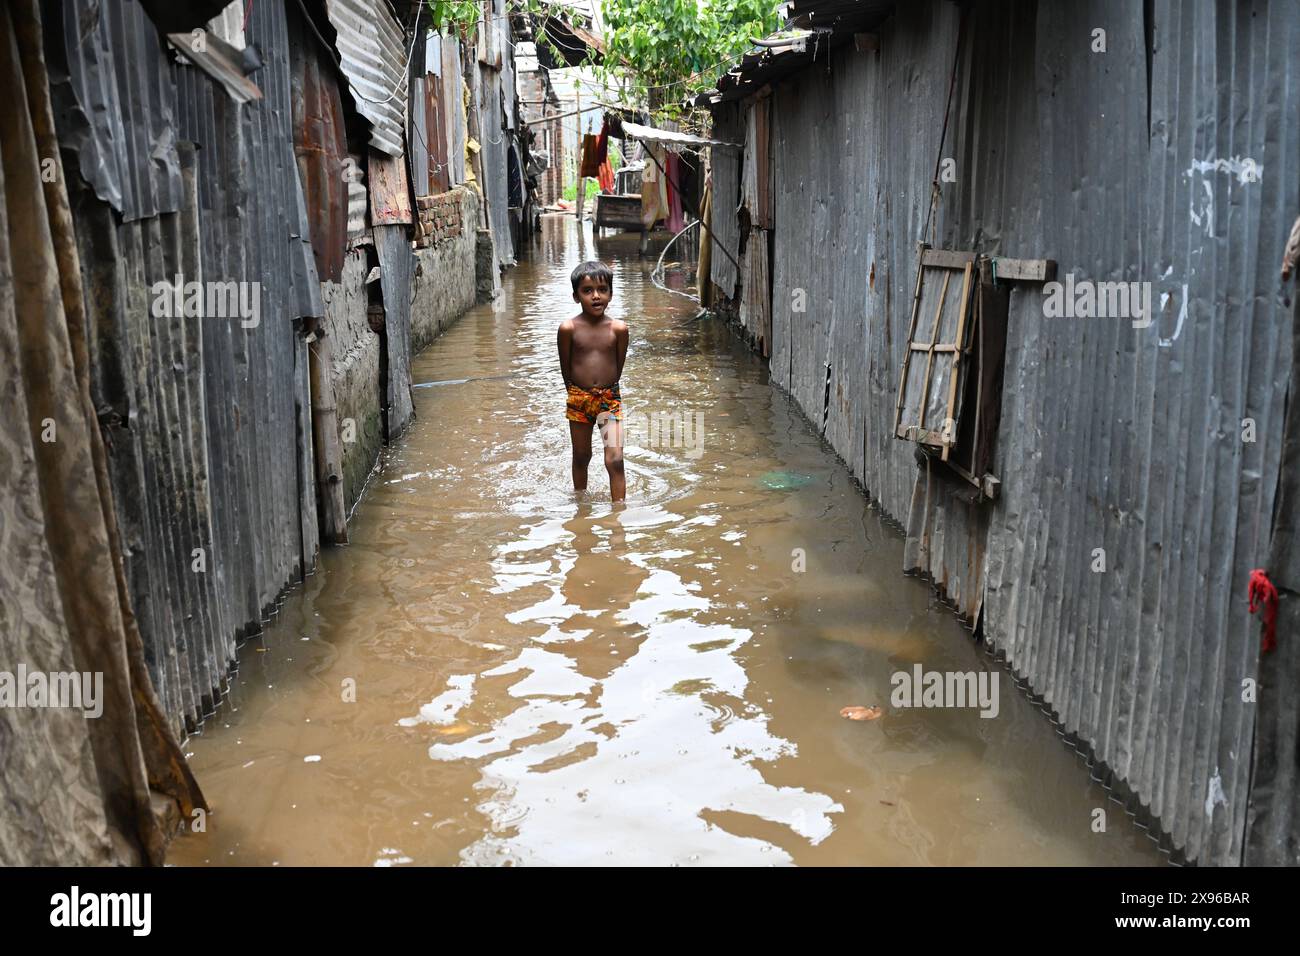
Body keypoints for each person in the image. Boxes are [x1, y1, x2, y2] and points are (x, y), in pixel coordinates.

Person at [557, 261, 629, 501]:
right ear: (576, 296)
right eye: (587, 291)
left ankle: (618, 513)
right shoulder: (568, 329)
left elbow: (618, 367)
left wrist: (605, 390)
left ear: (611, 293)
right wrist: (579, 393)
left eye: (602, 289)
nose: (596, 296)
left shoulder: (618, 329)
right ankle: (581, 505)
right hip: (579, 398)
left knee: (615, 459)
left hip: (609, 399)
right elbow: (565, 369)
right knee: (581, 456)